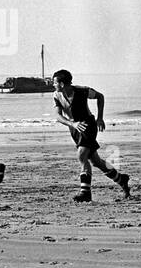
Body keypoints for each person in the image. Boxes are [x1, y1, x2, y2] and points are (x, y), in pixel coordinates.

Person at [52, 69, 130, 202]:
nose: (53, 85)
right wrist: (72, 124)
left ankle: (85, 192)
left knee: (82, 155)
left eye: (55, 82)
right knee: (96, 162)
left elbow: (100, 96)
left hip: (88, 125)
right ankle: (121, 179)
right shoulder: (56, 95)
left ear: (62, 84)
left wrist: (100, 118)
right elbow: (58, 116)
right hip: (75, 129)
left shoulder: (83, 91)